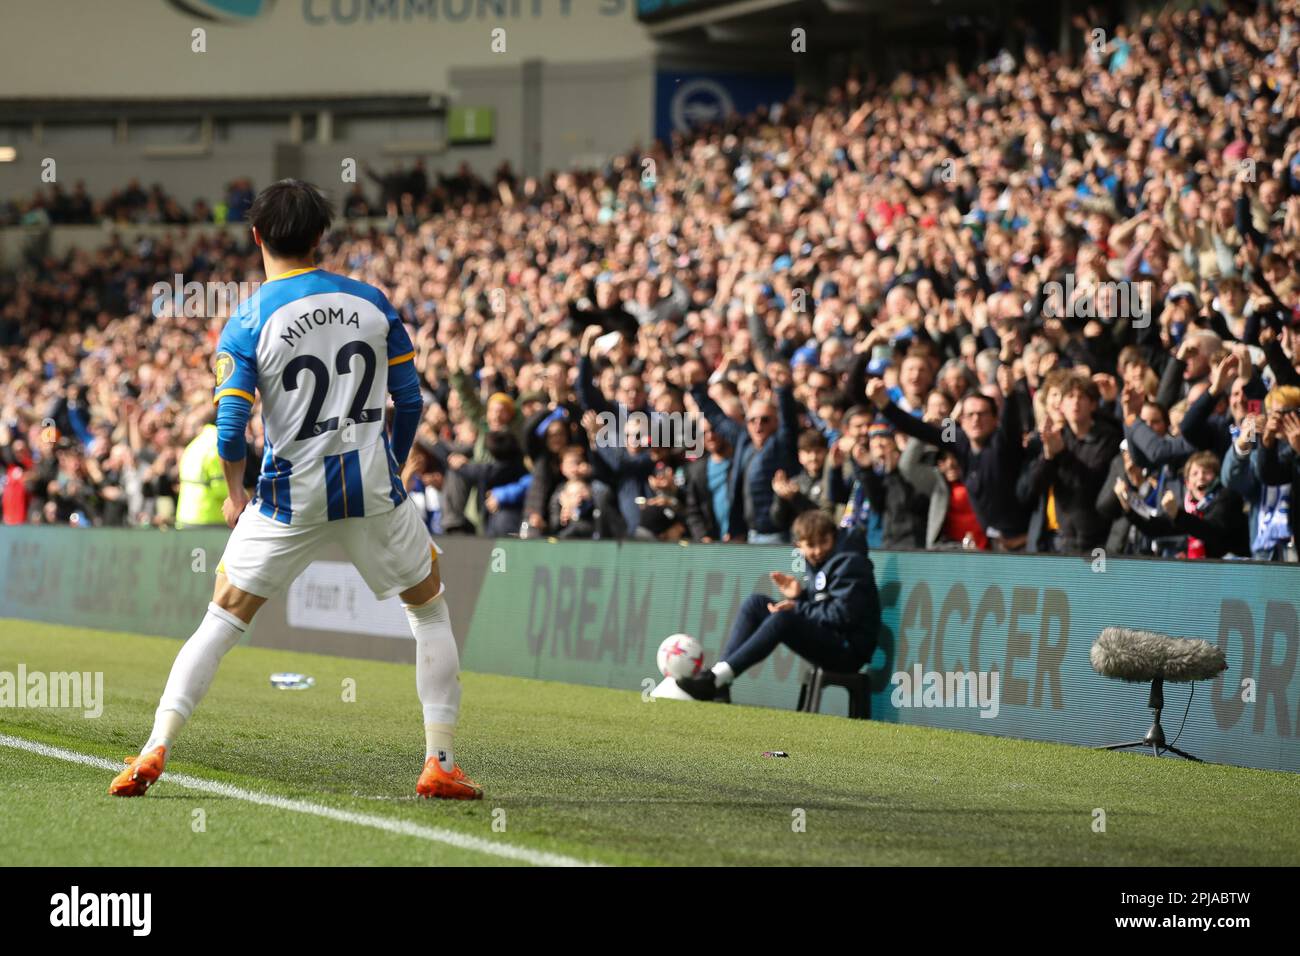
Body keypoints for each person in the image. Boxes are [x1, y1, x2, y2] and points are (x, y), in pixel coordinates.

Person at [109, 180, 481, 801]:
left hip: (288, 495)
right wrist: (389, 459)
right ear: (320, 237)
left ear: (256, 236)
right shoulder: (371, 302)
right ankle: (439, 760)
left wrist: (235, 493)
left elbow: (231, 427)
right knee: (429, 611)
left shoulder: (249, 317)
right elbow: (410, 400)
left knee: (220, 621)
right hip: (371, 490)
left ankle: (155, 747)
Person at [676, 510, 880, 701]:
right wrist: (800, 596)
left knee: (784, 618)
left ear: (833, 537)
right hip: (831, 639)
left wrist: (797, 607)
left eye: (824, 542)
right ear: (799, 545)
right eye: (810, 545)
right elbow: (822, 607)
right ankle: (721, 680)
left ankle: (715, 679)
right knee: (756, 603)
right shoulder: (822, 563)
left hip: (849, 651)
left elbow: (842, 615)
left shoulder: (851, 562)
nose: (818, 550)